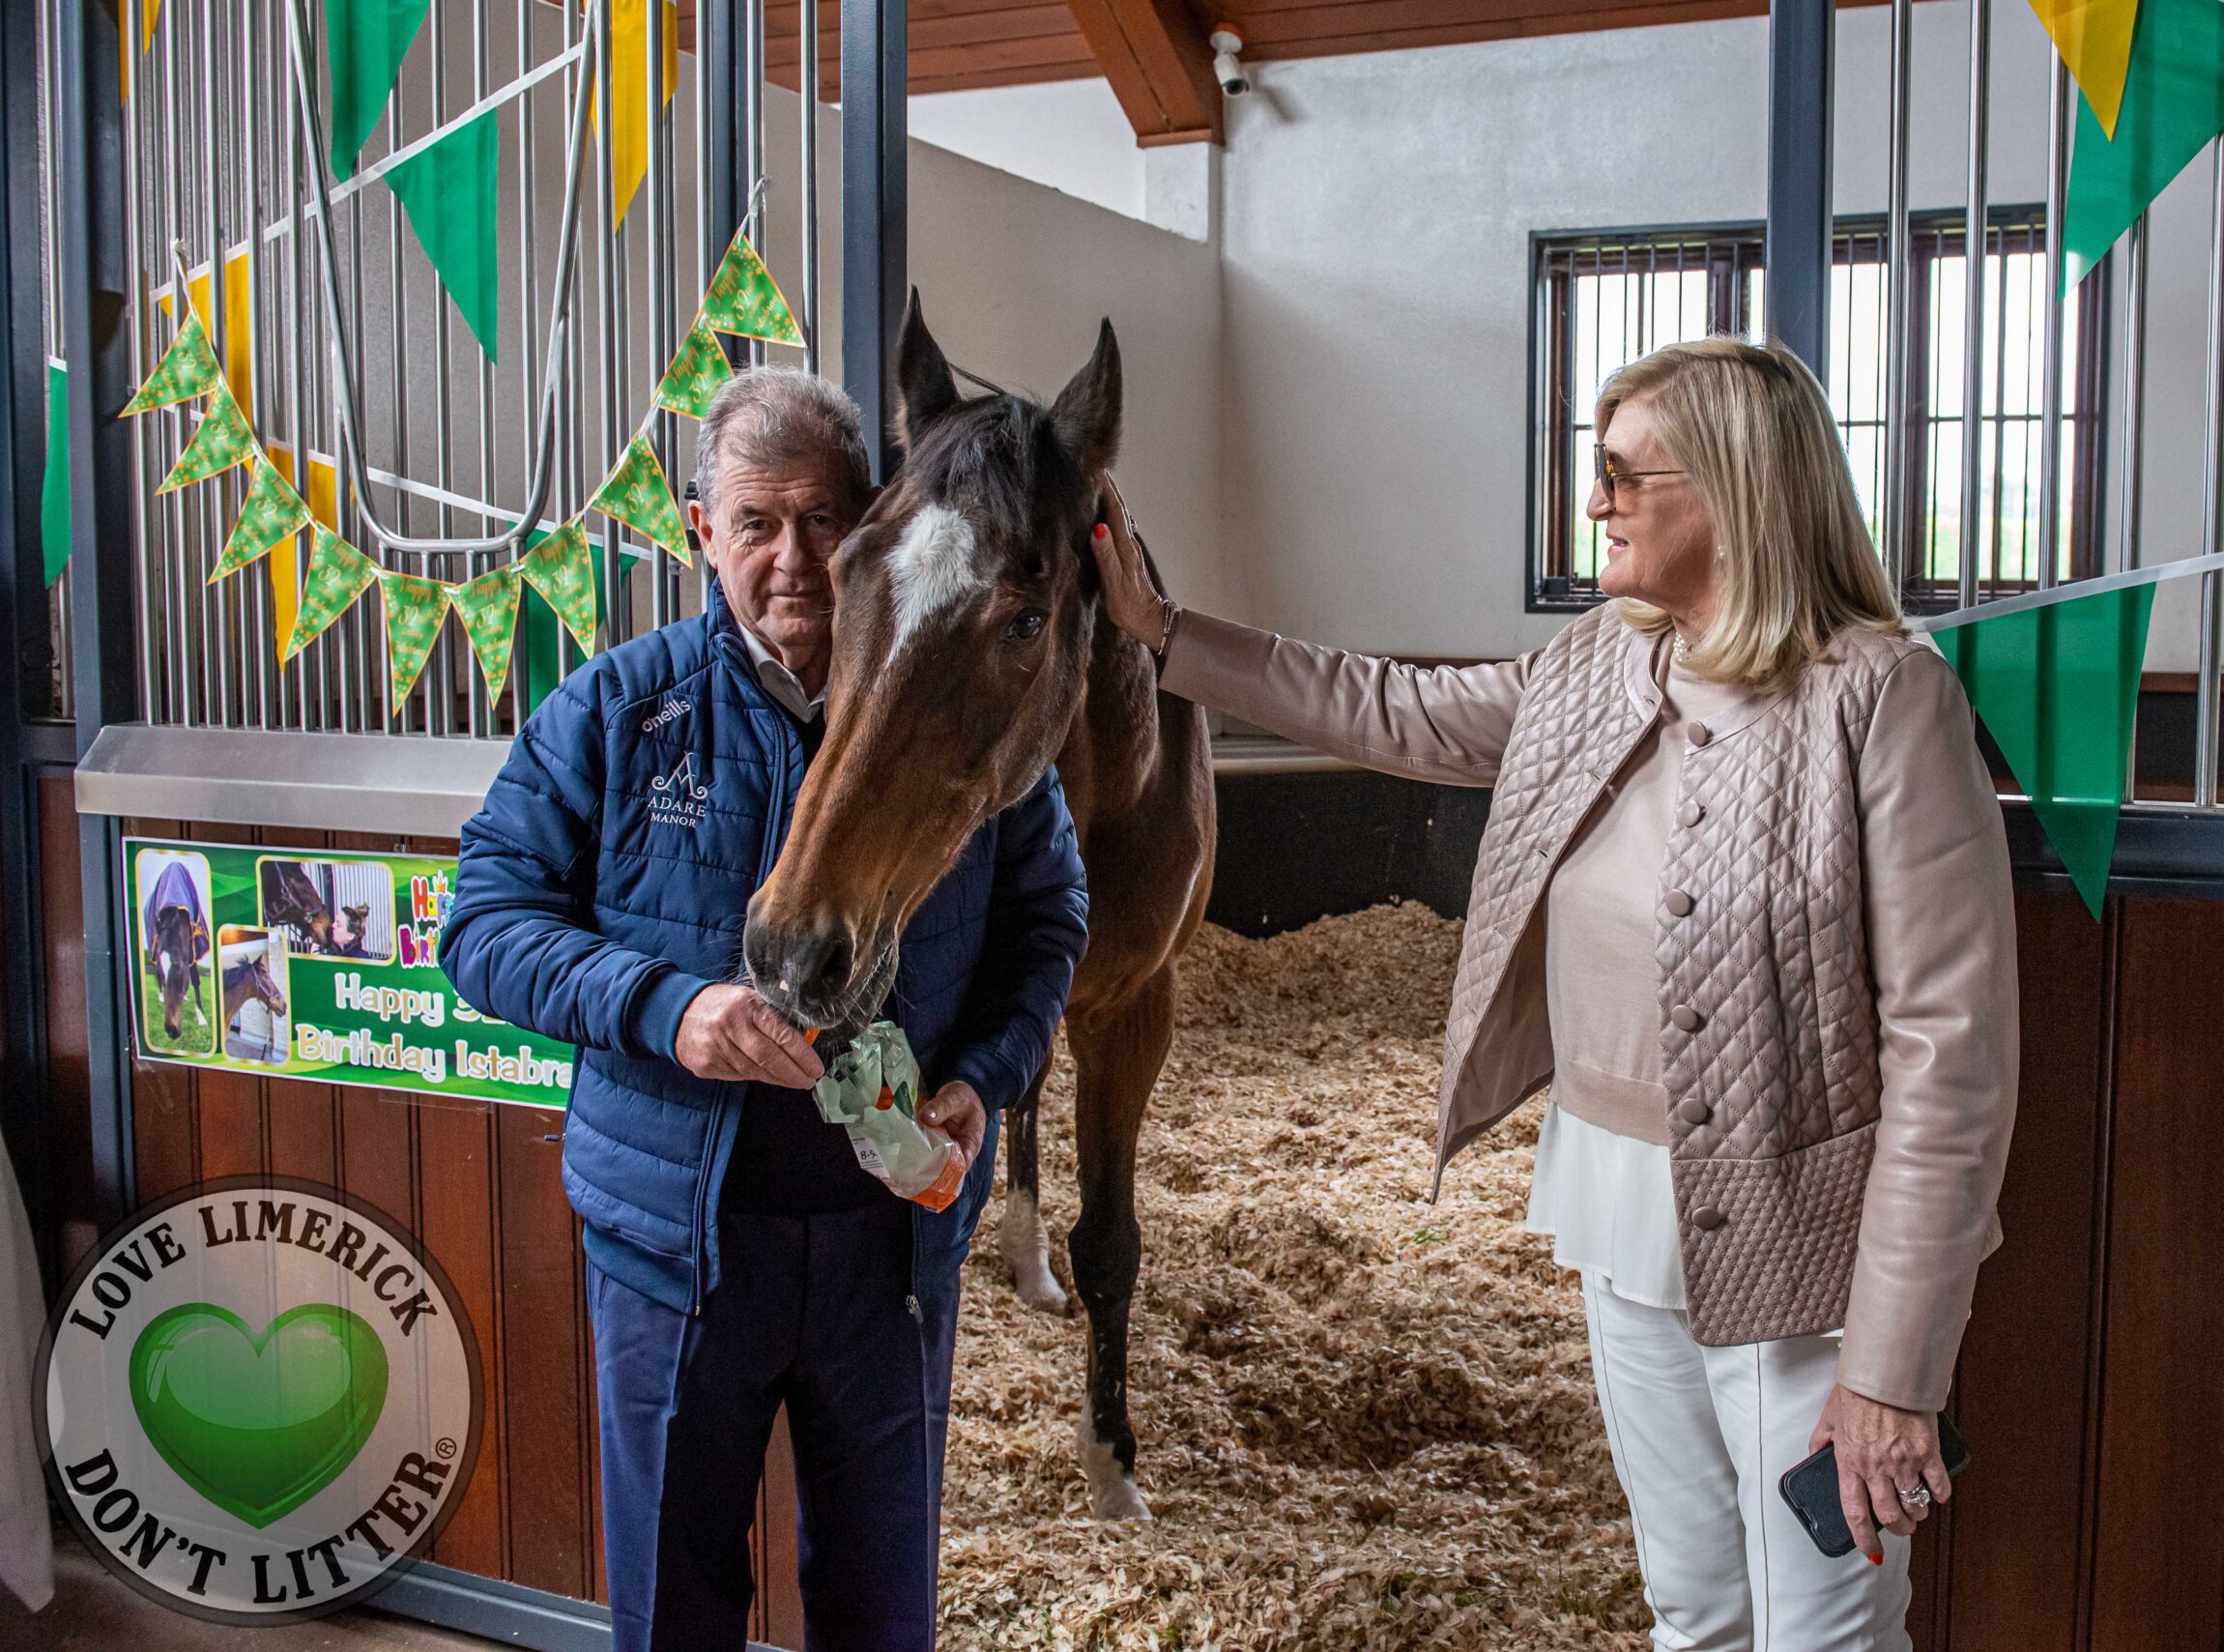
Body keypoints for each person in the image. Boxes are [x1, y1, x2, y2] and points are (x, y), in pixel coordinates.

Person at [1093, 337, 2017, 1648]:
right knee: (1692, 1605)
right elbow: (1388, 708)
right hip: (1616, 1201)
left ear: (1735, 490)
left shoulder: (1884, 697)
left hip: (1809, 1243)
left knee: (1826, 1630)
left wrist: (1893, 1365)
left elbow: (1953, 1051)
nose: (1596, 503)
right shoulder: (1593, 667)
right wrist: (1168, 638)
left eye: (1623, 474)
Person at [443, 368, 1089, 1652]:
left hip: (889, 1255)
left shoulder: (957, 696)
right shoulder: (622, 712)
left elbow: (1047, 927)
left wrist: (985, 1074)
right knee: (678, 1608)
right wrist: (663, 1009)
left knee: (882, 1606)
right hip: (682, 1251)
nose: (793, 556)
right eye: (757, 520)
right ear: (701, 530)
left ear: (876, 528)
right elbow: (480, 926)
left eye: (825, 519)